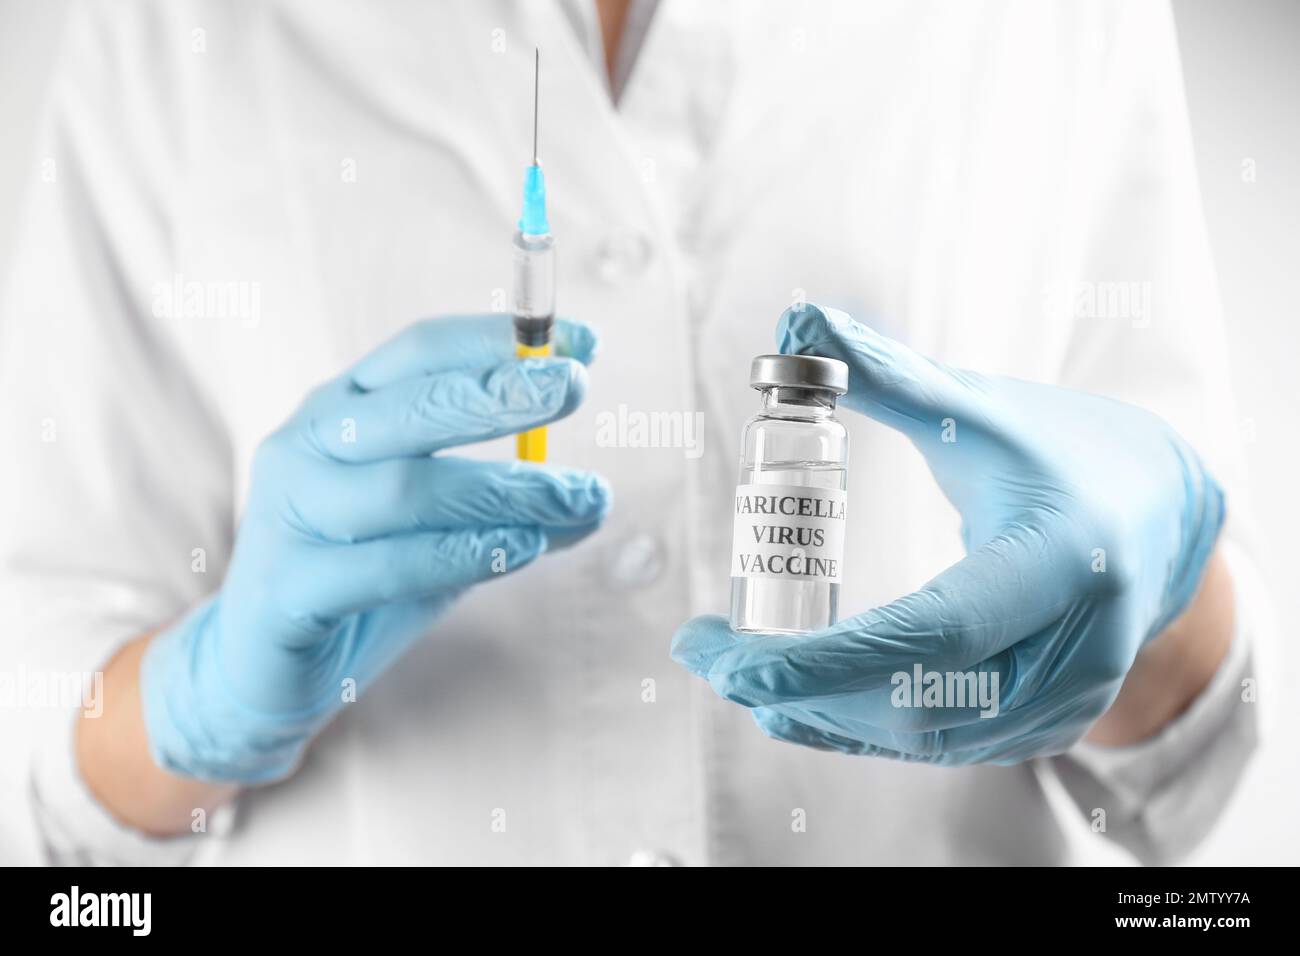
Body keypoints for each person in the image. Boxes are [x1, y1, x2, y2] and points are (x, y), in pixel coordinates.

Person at [0, 0, 1262, 866]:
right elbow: (47, 767)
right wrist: (194, 706)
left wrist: (1151, 587)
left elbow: (1217, 781)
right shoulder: (174, 28)